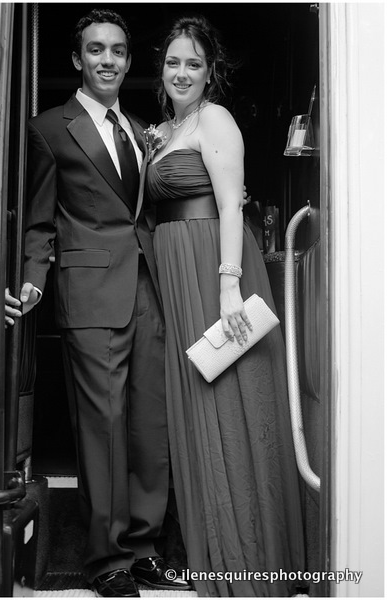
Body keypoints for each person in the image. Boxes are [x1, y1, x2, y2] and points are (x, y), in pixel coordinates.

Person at [5, 9, 190, 597]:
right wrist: (33, 280)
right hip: (88, 293)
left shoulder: (141, 128)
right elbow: (39, 221)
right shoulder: (49, 129)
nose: (107, 60)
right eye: (95, 50)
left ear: (128, 61)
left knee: (149, 425)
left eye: (116, 51)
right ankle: (105, 559)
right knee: (103, 428)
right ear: (77, 59)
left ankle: (143, 550)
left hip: (149, 289)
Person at [145, 16, 304, 596]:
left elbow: (232, 205)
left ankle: (249, 553)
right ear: (161, 69)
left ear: (210, 73)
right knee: (196, 400)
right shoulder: (165, 128)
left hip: (214, 269)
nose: (182, 72)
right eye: (173, 62)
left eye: (194, 63)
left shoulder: (215, 118)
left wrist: (229, 283)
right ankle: (208, 538)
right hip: (176, 273)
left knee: (230, 401)